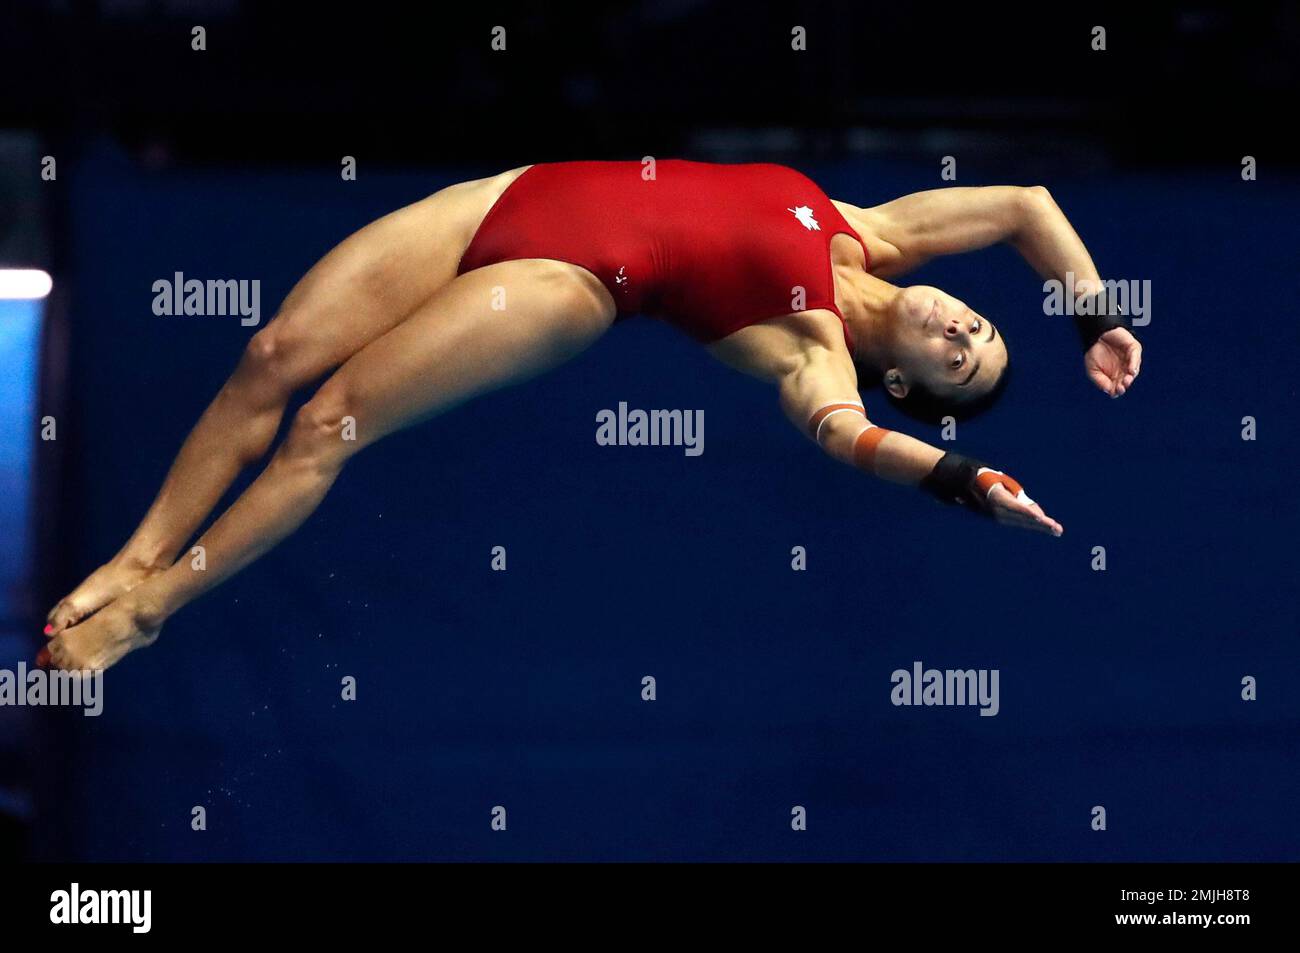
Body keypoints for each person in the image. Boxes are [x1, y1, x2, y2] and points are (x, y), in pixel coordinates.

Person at [40, 159, 1142, 671]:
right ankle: (133, 560)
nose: (960, 333)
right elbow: (1024, 205)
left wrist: (962, 477)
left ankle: (147, 616)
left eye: (960, 363)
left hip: (571, 278)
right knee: (271, 354)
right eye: (981, 328)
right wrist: (1087, 313)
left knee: (329, 420)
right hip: (513, 192)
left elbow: (852, 442)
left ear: (909, 385)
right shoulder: (870, 224)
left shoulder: (817, 360)